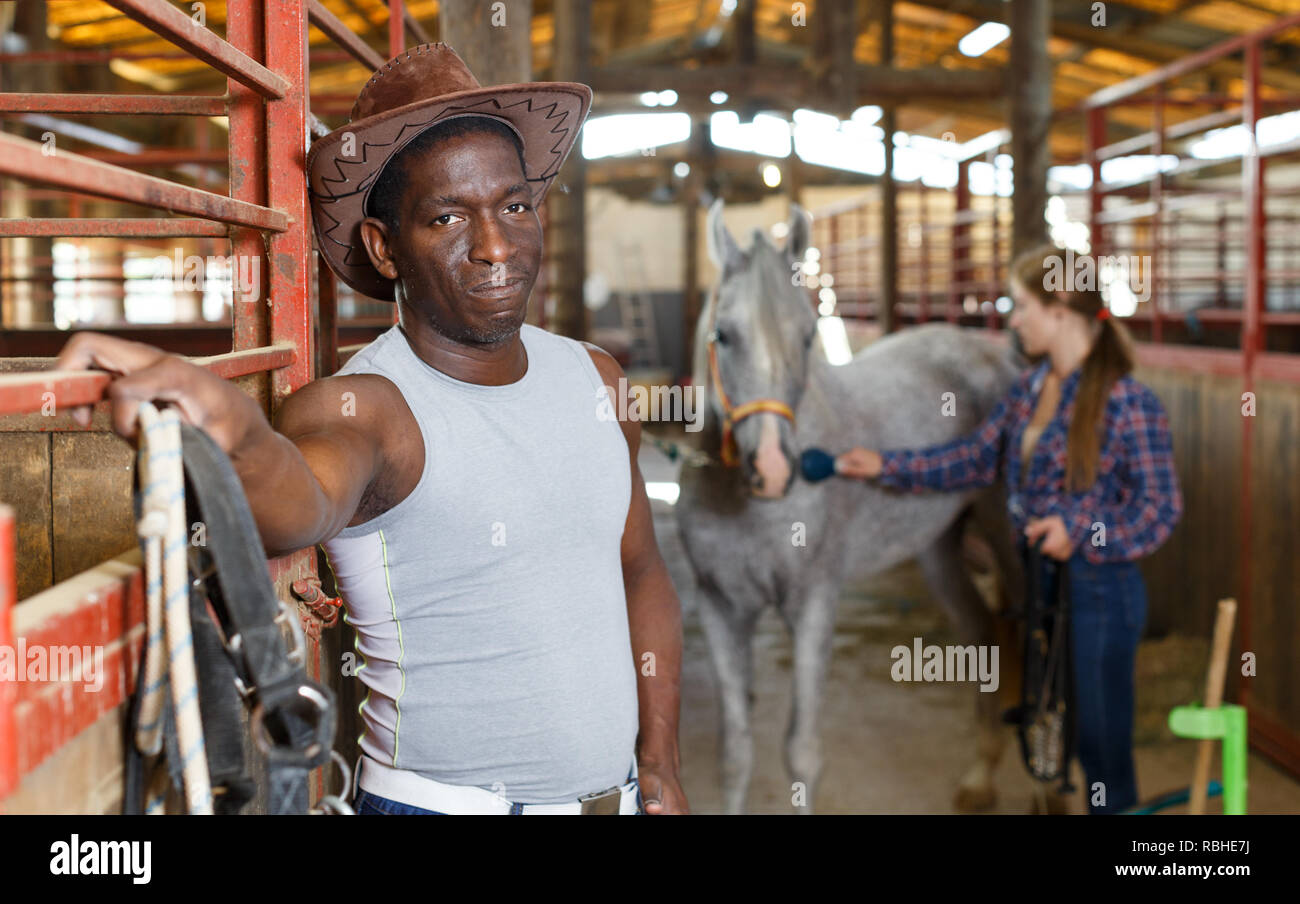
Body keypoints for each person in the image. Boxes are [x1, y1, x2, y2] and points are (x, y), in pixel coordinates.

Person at [52, 43, 688, 815]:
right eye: (449, 217)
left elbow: (642, 571)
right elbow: (299, 501)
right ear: (386, 248)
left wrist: (660, 759)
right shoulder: (367, 407)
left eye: (513, 206)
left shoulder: (598, 380)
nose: (495, 246)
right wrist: (232, 429)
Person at [836, 242, 1183, 814]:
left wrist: (1081, 529)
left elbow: (1158, 509)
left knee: (1100, 749)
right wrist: (884, 465)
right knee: (1046, 718)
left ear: (1060, 307)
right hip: (1041, 585)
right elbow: (974, 459)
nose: (1013, 320)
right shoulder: (1030, 389)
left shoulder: (1127, 401)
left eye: (1021, 306)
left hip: (1099, 591)